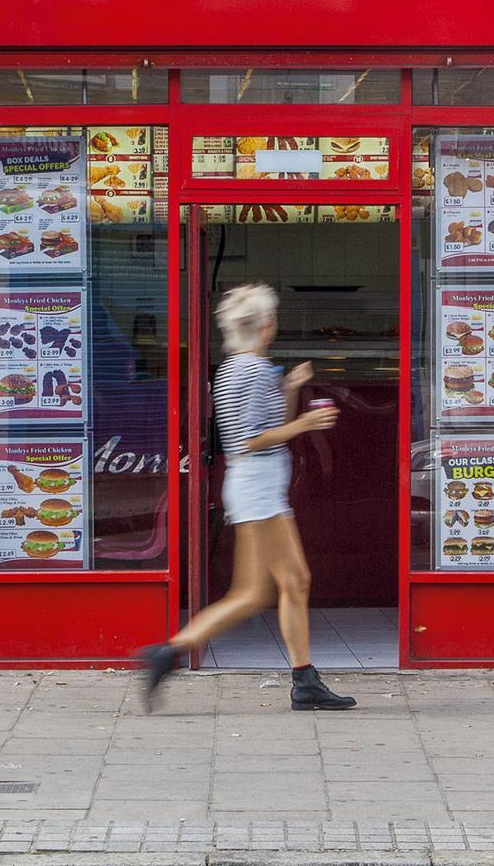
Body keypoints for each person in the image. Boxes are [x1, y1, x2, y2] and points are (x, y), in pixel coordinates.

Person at [135, 283, 356, 712]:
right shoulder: (253, 372)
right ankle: (301, 681)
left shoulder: (239, 366)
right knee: (292, 582)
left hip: (253, 484)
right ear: (267, 325)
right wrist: (306, 424)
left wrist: (291, 389)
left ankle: (171, 654)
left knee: (258, 592)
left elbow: (264, 426)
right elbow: (252, 438)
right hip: (258, 486)